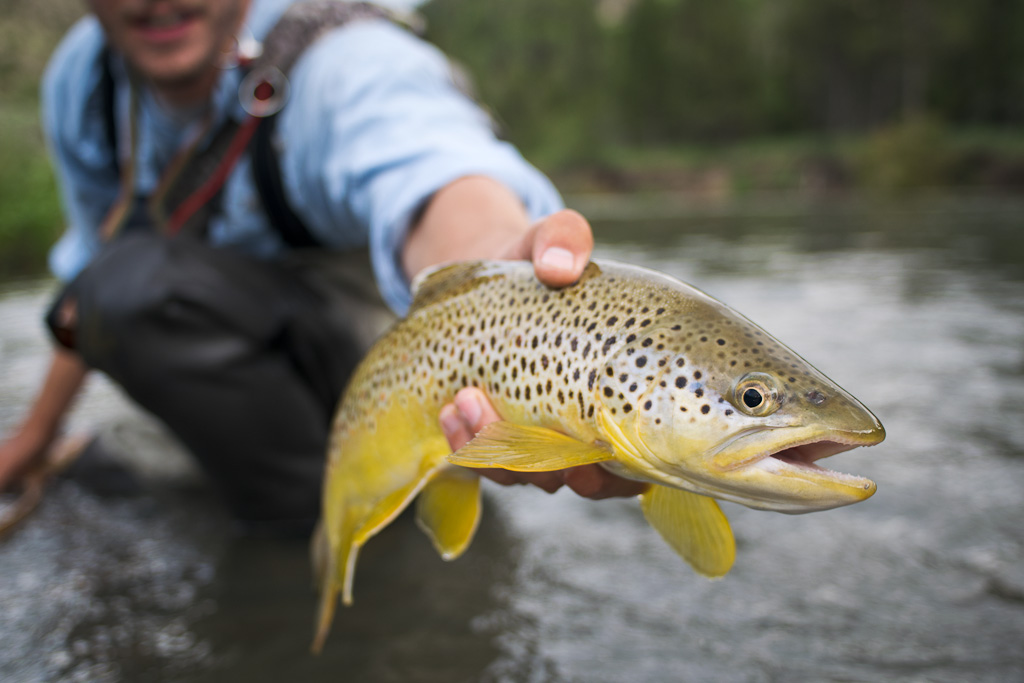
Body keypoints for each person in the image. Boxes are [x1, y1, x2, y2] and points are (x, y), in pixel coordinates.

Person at [0, 0, 644, 531]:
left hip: (384, 369)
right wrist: (31, 442)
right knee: (129, 287)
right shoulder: (83, 80)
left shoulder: (349, 62)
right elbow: (96, 286)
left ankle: (331, 529)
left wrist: (501, 264)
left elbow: (438, 176)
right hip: (233, 355)